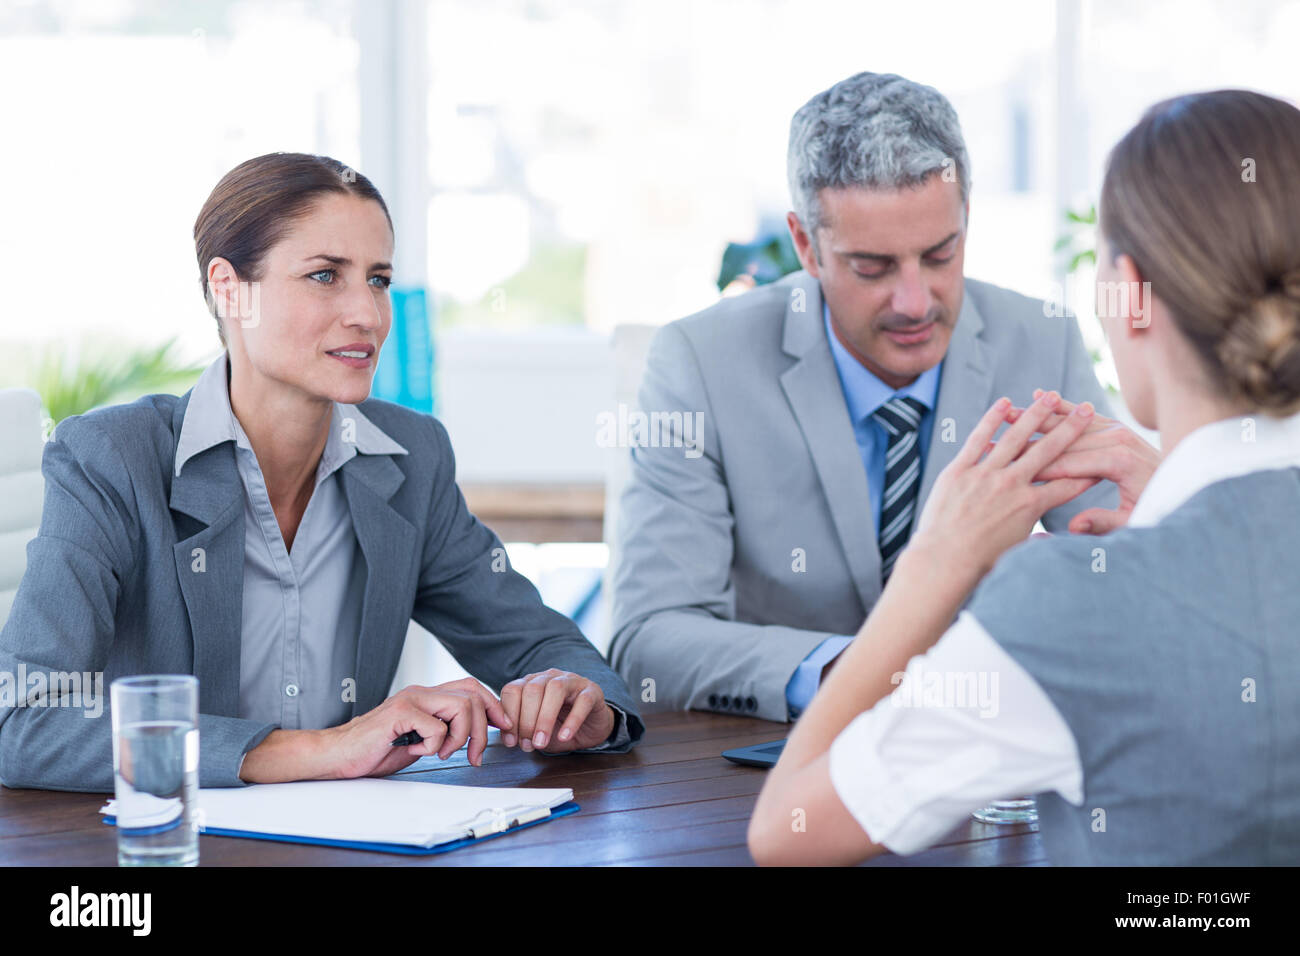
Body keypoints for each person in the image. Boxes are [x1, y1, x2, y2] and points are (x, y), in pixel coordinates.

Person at [748, 88, 1300, 866]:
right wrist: (1181, 509)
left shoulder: (1073, 606)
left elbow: (784, 833)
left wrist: (933, 565)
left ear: (1130, 294)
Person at [0, 152, 643, 793]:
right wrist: (322, 750)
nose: (368, 313)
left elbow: (539, 646)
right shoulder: (112, 458)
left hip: (345, 843)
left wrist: (580, 707)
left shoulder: (409, 458)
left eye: (379, 279)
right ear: (229, 290)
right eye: (324, 276)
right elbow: (21, 721)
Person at [609, 71, 1155, 722]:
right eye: (872, 267)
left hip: (984, 765)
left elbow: (1131, 579)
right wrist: (865, 676)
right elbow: (649, 638)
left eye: (940, 254)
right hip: (762, 769)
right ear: (807, 246)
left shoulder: (1040, 341)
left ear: (967, 218)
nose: (915, 302)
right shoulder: (701, 363)